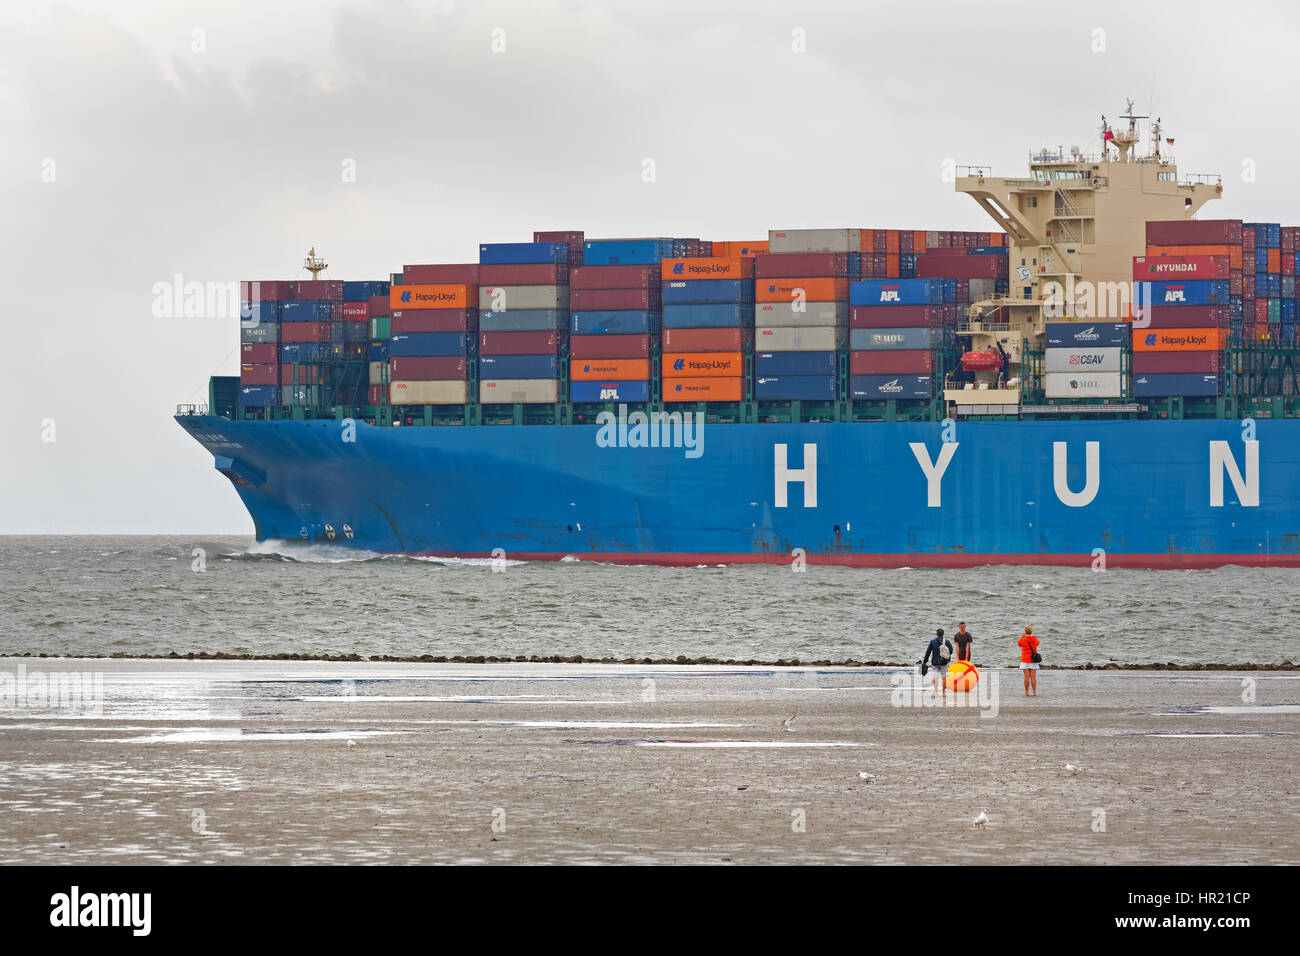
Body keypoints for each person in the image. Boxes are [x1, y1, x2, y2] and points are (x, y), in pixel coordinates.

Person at [923, 628, 954, 698]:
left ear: (936, 634)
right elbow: (951, 650)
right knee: (944, 678)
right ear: (943, 634)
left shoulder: (932, 642)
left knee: (935, 677)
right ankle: (943, 693)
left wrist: (925, 661)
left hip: (935, 663)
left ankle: (936, 692)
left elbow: (928, 652)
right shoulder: (947, 641)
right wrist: (946, 655)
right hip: (944, 662)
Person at [1018, 626, 1040, 697]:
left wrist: (1022, 636)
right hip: (1033, 660)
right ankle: (1034, 692)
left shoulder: (1023, 639)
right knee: (1033, 677)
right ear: (1031, 631)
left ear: (1025, 632)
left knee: (1026, 677)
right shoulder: (1034, 638)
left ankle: (1027, 692)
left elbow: (1019, 644)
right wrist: (1032, 636)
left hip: (1025, 660)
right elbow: (1038, 643)